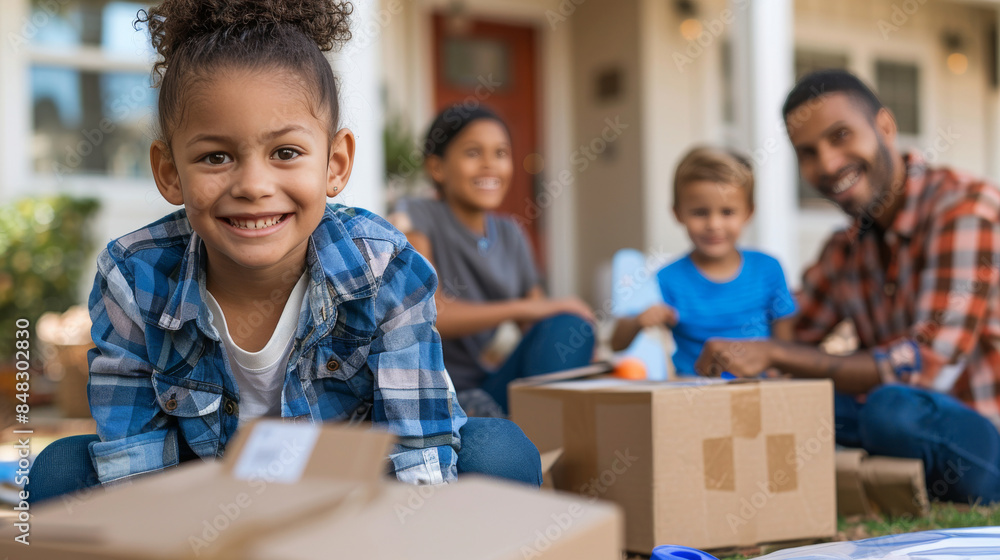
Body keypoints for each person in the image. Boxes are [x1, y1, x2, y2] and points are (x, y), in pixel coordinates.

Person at [26, 0, 541, 503]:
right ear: (168, 171)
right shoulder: (133, 278)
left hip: (351, 493)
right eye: (216, 156)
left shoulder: (384, 268)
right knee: (59, 470)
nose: (254, 185)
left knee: (499, 452)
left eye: (286, 153)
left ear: (335, 163)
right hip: (206, 497)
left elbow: (418, 448)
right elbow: (136, 468)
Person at [695, 69, 1000, 503]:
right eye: (808, 152)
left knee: (891, 408)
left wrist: (779, 353)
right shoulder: (846, 247)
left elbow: (926, 365)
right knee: (789, 395)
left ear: (886, 127)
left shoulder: (966, 211)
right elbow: (787, 330)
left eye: (840, 136)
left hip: (983, 437)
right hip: (892, 415)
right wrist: (704, 326)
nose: (829, 164)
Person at [392, 106, 596, 417]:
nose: (490, 165)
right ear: (437, 168)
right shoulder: (417, 217)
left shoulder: (510, 232)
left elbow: (537, 324)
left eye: (501, 153)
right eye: (473, 153)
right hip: (439, 394)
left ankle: (539, 436)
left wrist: (584, 354)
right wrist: (527, 307)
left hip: (490, 385)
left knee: (569, 328)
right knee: (499, 451)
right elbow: (432, 314)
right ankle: (521, 438)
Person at [610, 146, 798, 376]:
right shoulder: (668, 279)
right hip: (693, 396)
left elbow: (785, 348)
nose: (714, 225)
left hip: (758, 392)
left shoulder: (768, 269)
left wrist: (777, 378)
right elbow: (616, 344)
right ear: (678, 213)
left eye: (727, 212)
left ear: (748, 213)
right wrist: (638, 321)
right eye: (700, 212)